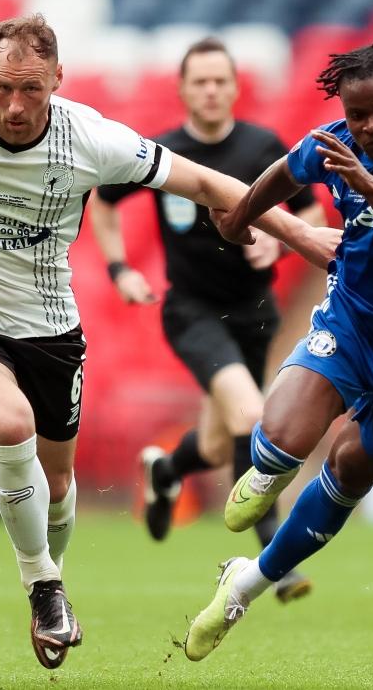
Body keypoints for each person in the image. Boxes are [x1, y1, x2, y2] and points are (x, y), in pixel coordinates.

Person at [0, 14, 339, 670]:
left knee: (59, 479)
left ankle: (54, 574)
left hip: (52, 334)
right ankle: (43, 588)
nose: (16, 106)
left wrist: (304, 237)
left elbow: (211, 185)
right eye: (4, 88)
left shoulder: (94, 140)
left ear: (58, 82)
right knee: (8, 422)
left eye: (33, 91)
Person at [181, 32, 373, 661]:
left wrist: (371, 188)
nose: (370, 127)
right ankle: (267, 470)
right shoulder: (336, 143)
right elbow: (286, 171)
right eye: (357, 116)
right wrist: (241, 219)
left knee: (349, 471)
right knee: (286, 433)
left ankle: (246, 582)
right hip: (352, 319)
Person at [88, 37, 326, 603]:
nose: (212, 90)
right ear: (183, 90)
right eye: (201, 81)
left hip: (254, 315)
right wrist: (120, 268)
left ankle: (167, 472)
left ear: (236, 87)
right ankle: (272, 558)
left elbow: (313, 210)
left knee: (221, 447)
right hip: (191, 311)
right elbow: (103, 200)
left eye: (221, 80)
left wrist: (282, 248)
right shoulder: (162, 153)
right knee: (251, 412)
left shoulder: (264, 147)